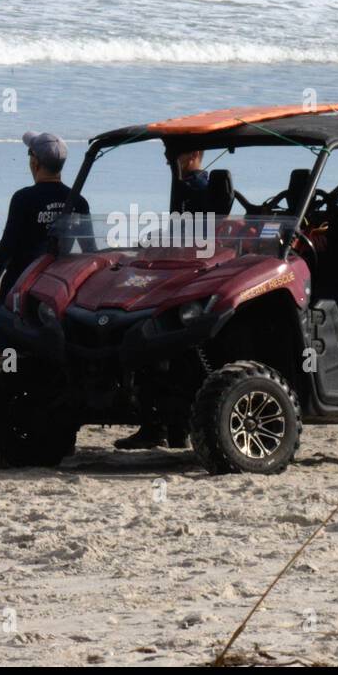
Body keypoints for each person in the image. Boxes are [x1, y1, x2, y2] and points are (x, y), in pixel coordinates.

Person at [113, 149, 208, 452]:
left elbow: (193, 232)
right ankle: (168, 429)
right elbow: (180, 228)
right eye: (166, 152)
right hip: (179, 268)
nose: (168, 158)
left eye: (173, 153)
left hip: (189, 273)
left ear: (192, 153)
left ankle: (160, 428)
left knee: (164, 354)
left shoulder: (199, 187)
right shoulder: (185, 185)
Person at [0, 132, 89, 353]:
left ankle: (4, 382)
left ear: (34, 161)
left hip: (21, 284)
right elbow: (87, 251)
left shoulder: (24, 199)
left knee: (9, 351)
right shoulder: (79, 202)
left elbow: (7, 246)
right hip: (58, 287)